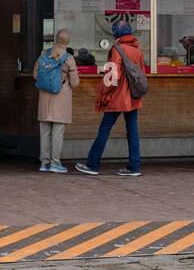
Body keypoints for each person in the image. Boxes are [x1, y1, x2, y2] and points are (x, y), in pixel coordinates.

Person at [75, 19, 144, 177]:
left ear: (116, 33)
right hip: (133, 97)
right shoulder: (137, 50)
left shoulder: (117, 49)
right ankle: (134, 166)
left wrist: (105, 94)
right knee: (132, 131)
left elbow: (112, 76)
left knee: (104, 129)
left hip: (117, 97)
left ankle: (92, 164)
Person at [33, 28, 79, 173]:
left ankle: (44, 163)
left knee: (45, 132)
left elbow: (35, 75)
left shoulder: (43, 55)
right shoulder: (68, 58)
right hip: (61, 98)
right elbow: (75, 82)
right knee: (58, 132)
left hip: (44, 99)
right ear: (68, 42)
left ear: (55, 39)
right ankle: (55, 163)